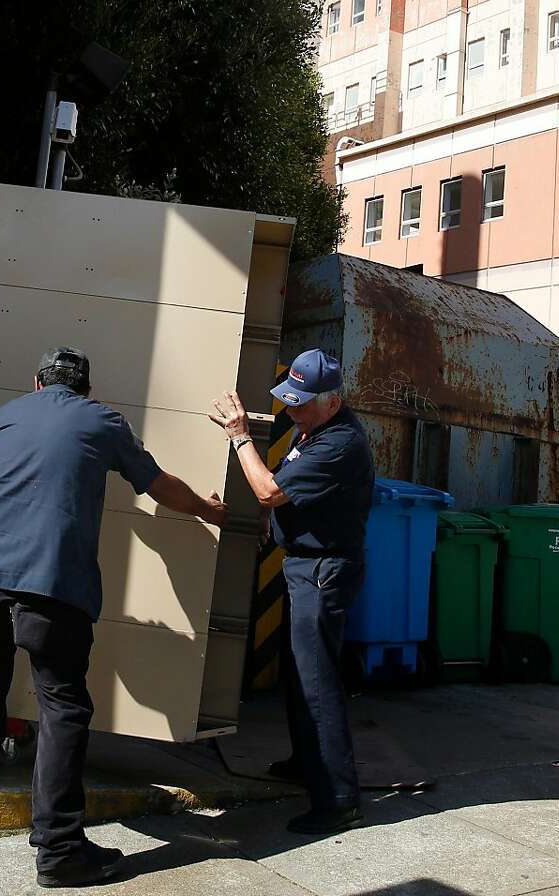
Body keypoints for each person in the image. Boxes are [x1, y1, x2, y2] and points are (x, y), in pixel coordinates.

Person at [0, 346, 229, 889]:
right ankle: (59, 850)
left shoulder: (4, 414)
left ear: (36, 382)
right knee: (62, 706)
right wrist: (207, 508)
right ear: (84, 388)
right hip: (51, 579)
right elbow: (156, 484)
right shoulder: (103, 421)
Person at [210, 348, 374, 835]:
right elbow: (285, 494)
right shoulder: (314, 429)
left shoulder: (339, 443)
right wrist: (275, 519)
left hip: (323, 571)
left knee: (318, 685)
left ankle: (339, 799)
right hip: (307, 566)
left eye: (301, 403)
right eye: (288, 400)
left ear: (332, 400)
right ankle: (308, 764)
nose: (291, 410)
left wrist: (240, 438)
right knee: (302, 677)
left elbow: (268, 489)